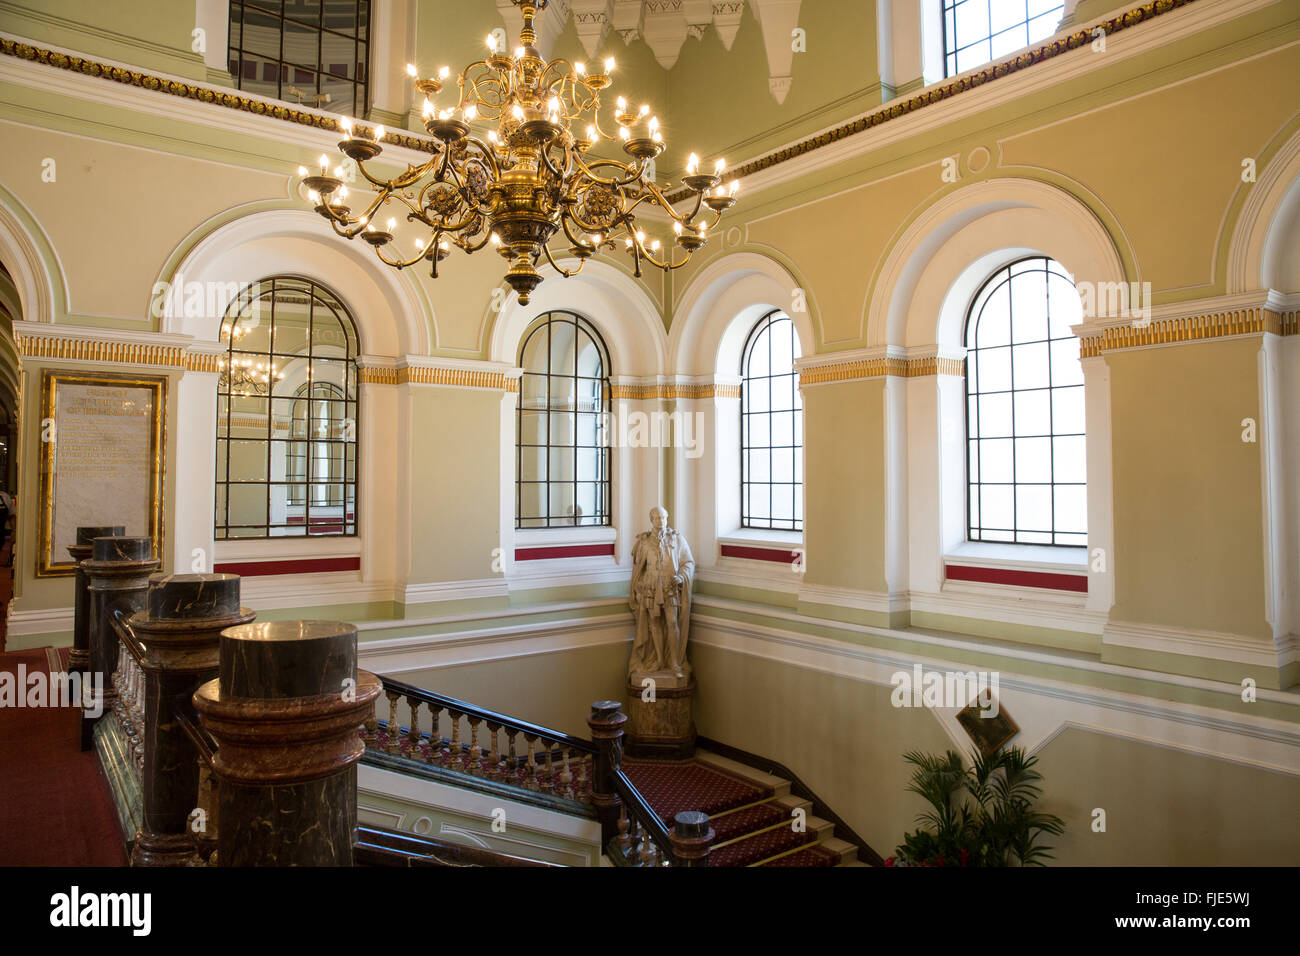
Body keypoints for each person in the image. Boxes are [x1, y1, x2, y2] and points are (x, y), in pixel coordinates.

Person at [628, 505, 695, 678]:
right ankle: (658, 660)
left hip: (670, 587)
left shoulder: (677, 539)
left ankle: (674, 662)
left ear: (667, 518)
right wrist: (637, 589)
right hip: (650, 588)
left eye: (663, 518)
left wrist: (681, 576)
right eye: (657, 518)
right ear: (651, 520)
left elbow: (688, 562)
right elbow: (638, 570)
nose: (661, 521)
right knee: (654, 624)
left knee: (672, 623)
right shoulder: (643, 542)